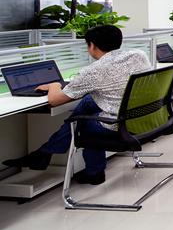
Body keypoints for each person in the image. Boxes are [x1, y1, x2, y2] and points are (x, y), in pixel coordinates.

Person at [3, 25, 150, 185]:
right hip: (143, 114)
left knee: (80, 122)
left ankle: (88, 171)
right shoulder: (138, 55)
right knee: (88, 101)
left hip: (120, 124)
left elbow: (54, 101)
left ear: (92, 45)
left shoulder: (93, 71)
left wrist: (54, 85)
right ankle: (45, 153)